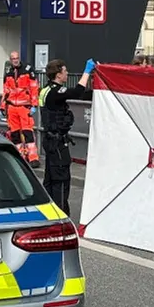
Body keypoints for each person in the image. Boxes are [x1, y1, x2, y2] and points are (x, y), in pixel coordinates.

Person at [38, 60, 93, 214]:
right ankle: (61, 215)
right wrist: (87, 71)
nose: (67, 73)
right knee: (61, 180)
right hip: (57, 143)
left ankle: (48, 213)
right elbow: (76, 92)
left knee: (50, 178)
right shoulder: (55, 92)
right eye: (65, 71)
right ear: (58, 75)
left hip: (50, 140)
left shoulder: (46, 89)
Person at [4, 55, 40, 165]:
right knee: (14, 133)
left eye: (17, 58)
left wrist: (34, 104)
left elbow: (34, 87)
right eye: (13, 59)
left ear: (19, 58)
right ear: (10, 60)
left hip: (24, 106)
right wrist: (2, 106)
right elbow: (5, 90)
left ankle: (33, 158)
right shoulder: (9, 72)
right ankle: (20, 156)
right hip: (12, 106)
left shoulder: (27, 70)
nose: (15, 60)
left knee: (27, 132)